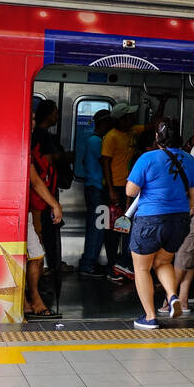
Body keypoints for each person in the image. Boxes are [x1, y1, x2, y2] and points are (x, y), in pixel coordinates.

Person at [124, 117, 194, 330]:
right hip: (179, 221)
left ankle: (150, 317)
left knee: (142, 268)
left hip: (150, 220)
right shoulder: (189, 160)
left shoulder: (148, 158)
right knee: (163, 262)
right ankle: (172, 295)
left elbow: (130, 191)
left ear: (157, 137)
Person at [165, 108, 194, 315]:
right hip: (193, 207)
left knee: (184, 253)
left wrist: (193, 204)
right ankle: (182, 300)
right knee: (189, 255)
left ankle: (169, 298)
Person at [26, 105, 64, 318]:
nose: (32, 123)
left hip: (29, 209)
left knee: (36, 256)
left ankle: (32, 297)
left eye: (33, 118)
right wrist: (54, 204)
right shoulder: (22, 143)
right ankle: (30, 299)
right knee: (32, 256)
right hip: (23, 209)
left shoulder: (29, 144)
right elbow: (35, 180)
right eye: (29, 118)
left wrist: (52, 204)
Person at [100, 102, 145, 282]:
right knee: (111, 229)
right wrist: (110, 189)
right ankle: (112, 267)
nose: (132, 119)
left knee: (126, 228)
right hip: (115, 188)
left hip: (129, 187)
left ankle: (123, 265)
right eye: (128, 116)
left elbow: (153, 124)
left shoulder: (132, 132)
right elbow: (105, 163)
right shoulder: (111, 137)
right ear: (120, 119)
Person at [32, 99, 67, 277]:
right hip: (44, 190)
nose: (57, 116)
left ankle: (50, 264)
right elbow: (49, 163)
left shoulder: (39, 133)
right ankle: (50, 266)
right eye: (56, 112)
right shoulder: (43, 135)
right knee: (45, 230)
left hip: (41, 190)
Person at [78, 110, 113, 278]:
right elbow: (105, 162)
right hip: (98, 189)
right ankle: (88, 264)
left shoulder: (90, 140)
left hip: (93, 188)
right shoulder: (97, 141)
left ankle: (89, 261)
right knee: (97, 227)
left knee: (97, 226)